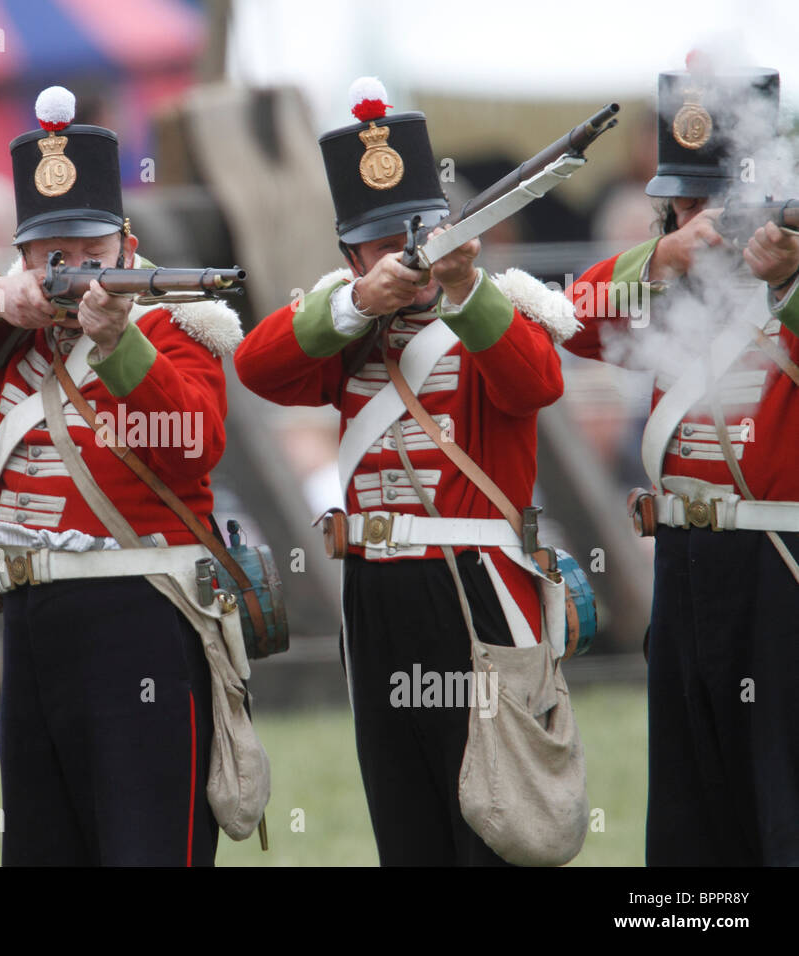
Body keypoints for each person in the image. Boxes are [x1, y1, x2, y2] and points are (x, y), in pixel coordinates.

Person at [0, 87, 250, 866]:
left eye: (88, 253)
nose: (72, 273)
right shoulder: (14, 334)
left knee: (148, 843)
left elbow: (193, 443)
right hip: (33, 618)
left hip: (143, 609)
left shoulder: (177, 321)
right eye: (51, 256)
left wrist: (121, 347)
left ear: (127, 244)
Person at [234, 78, 581, 865]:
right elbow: (258, 369)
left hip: (476, 583)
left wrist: (460, 285)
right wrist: (357, 301)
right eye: (380, 245)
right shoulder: (348, 324)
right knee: (404, 810)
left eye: (415, 234)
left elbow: (535, 384)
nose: (402, 255)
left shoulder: (501, 307)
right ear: (351, 253)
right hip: (375, 589)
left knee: (498, 813)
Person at [564, 60, 799, 865]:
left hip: (780, 564)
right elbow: (572, 320)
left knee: (782, 797)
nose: (696, 216)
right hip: (684, 563)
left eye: (711, 203)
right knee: (690, 811)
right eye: (683, 202)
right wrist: (661, 257)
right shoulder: (668, 283)